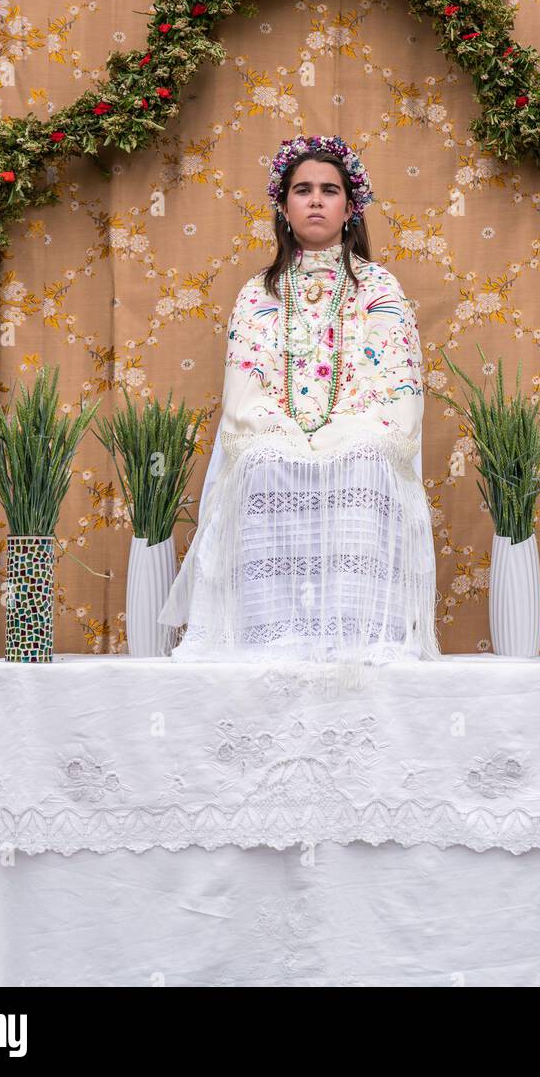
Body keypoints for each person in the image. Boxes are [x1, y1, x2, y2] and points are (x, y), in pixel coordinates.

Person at [157, 134, 442, 684]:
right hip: (278, 434)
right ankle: (273, 636)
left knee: (364, 457)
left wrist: (337, 434)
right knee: (263, 458)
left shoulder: (380, 288)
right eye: (303, 190)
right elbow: (245, 389)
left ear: (349, 207)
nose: (316, 201)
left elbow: (396, 384)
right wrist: (293, 435)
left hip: (358, 430)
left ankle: (356, 636)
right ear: (284, 207)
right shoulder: (257, 293)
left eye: (329, 190)